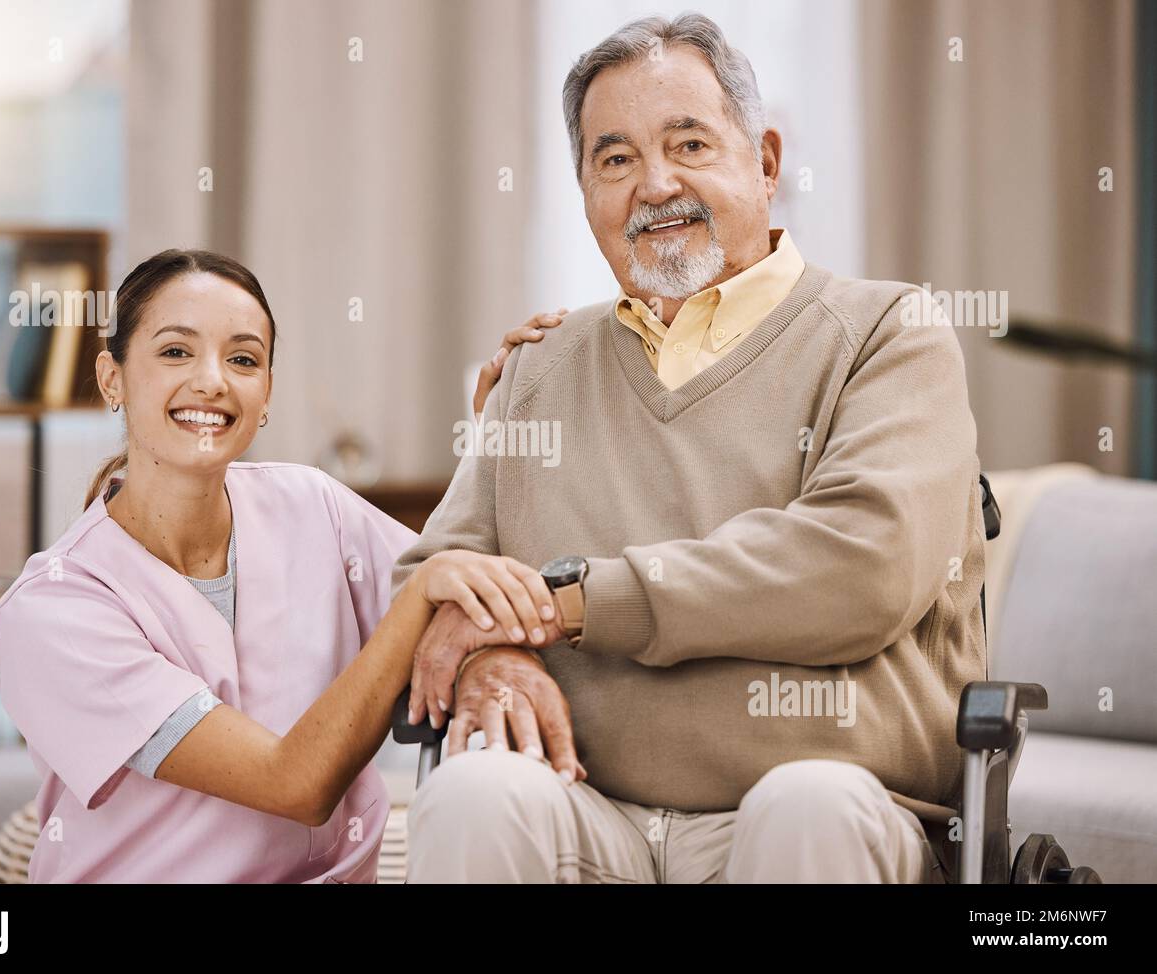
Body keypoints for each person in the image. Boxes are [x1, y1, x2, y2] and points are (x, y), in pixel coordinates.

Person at [391, 13, 986, 884]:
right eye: (616, 159)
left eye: (690, 143)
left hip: (816, 805)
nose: (654, 183)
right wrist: (485, 653)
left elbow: (862, 566)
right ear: (587, 191)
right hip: (587, 804)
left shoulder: (889, 334)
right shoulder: (539, 365)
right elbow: (436, 580)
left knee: (808, 805)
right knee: (472, 795)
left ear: (767, 162)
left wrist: (571, 602)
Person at [0, 248, 568, 882]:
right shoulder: (54, 609)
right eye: (176, 352)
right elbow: (294, 784)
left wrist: (508, 428)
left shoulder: (313, 505)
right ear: (113, 379)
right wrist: (424, 594)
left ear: (265, 394)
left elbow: (470, 595)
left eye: (242, 359)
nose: (212, 381)